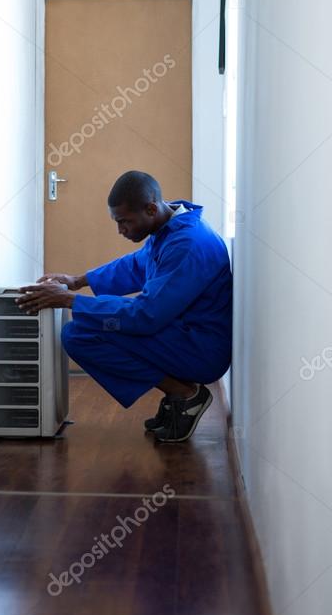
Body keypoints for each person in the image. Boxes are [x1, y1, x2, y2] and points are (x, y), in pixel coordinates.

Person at [16, 170, 232, 443]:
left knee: (80, 334)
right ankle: (179, 393)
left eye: (125, 222)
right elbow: (135, 265)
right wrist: (77, 281)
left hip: (200, 350)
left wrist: (69, 300)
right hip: (183, 335)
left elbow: (146, 316)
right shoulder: (169, 230)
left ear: (151, 209)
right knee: (84, 326)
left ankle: (184, 394)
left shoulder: (186, 244)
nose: (121, 230)